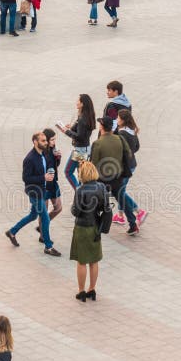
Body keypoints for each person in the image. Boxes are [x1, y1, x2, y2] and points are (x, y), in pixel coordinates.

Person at [5, 132, 62, 256]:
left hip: (42, 190)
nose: (46, 143)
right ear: (35, 142)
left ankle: (12, 231)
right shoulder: (30, 159)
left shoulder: (43, 155)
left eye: (46, 141)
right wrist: (43, 177)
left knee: (32, 215)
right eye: (43, 141)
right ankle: (48, 246)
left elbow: (49, 166)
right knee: (45, 218)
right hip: (35, 192)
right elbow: (26, 178)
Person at [91, 116, 137, 235]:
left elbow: (93, 165)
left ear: (101, 127)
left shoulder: (98, 143)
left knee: (95, 201)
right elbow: (129, 155)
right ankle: (133, 224)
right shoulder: (120, 139)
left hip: (102, 180)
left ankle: (96, 224)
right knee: (122, 200)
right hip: (118, 177)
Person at [71, 161, 109, 302]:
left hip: (82, 228)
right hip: (95, 227)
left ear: (82, 174)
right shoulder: (102, 187)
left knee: (82, 261)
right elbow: (107, 207)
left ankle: (81, 291)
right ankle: (92, 289)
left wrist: (72, 207)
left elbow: (77, 211)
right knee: (94, 260)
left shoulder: (80, 190)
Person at [113, 109, 147, 227]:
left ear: (122, 120)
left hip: (124, 167)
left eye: (118, 118)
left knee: (119, 192)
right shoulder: (132, 130)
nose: (116, 120)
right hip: (132, 165)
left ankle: (139, 211)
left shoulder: (121, 133)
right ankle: (120, 216)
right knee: (121, 191)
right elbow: (137, 147)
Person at [58, 93, 95, 189]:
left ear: (82, 104)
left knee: (68, 171)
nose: (76, 102)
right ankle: (82, 195)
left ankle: (79, 192)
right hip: (85, 149)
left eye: (78, 101)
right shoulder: (87, 116)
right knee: (81, 175)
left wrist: (67, 131)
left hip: (80, 151)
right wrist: (71, 128)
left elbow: (80, 136)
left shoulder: (83, 119)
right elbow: (80, 130)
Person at [38, 128, 63, 239]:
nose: (54, 142)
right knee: (43, 213)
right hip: (43, 185)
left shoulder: (53, 149)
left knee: (58, 208)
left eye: (55, 139)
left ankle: (43, 225)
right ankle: (43, 236)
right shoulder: (41, 153)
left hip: (53, 183)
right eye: (52, 139)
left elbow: (54, 166)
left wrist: (58, 158)